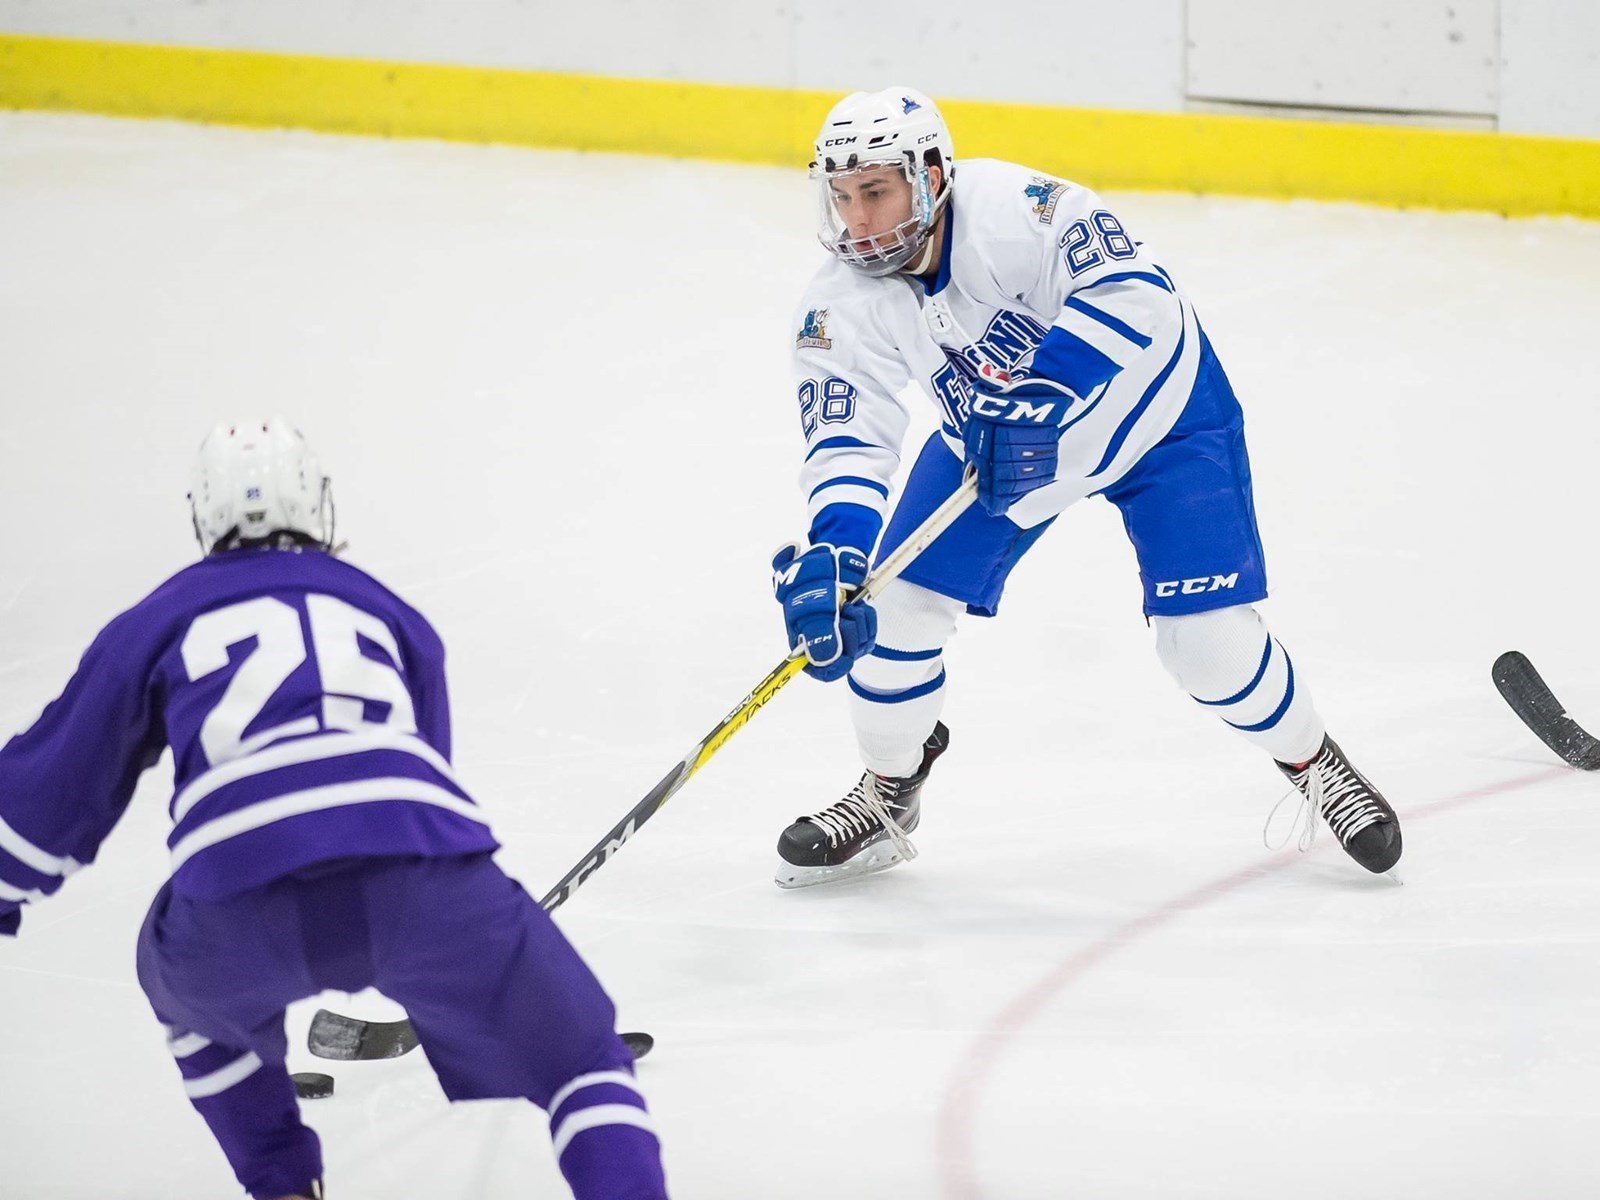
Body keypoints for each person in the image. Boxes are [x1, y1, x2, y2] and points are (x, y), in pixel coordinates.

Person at [0, 420, 669, 1200]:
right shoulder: (390, 611)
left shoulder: (158, 617)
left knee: (182, 992)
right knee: (582, 1059)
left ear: (202, 517)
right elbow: (425, 780)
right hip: (419, 884)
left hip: (235, 903)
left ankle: (283, 1183)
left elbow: (53, 787)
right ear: (318, 505)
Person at [769, 87, 1402, 888]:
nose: (858, 221)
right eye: (844, 196)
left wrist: (1052, 385)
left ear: (933, 176)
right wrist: (839, 553)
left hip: (1158, 416)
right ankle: (891, 796)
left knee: (1206, 648)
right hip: (1000, 457)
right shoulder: (836, 305)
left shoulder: (1015, 206)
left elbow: (1137, 288)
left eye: (877, 191)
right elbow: (848, 437)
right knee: (889, 613)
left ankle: (1314, 763)